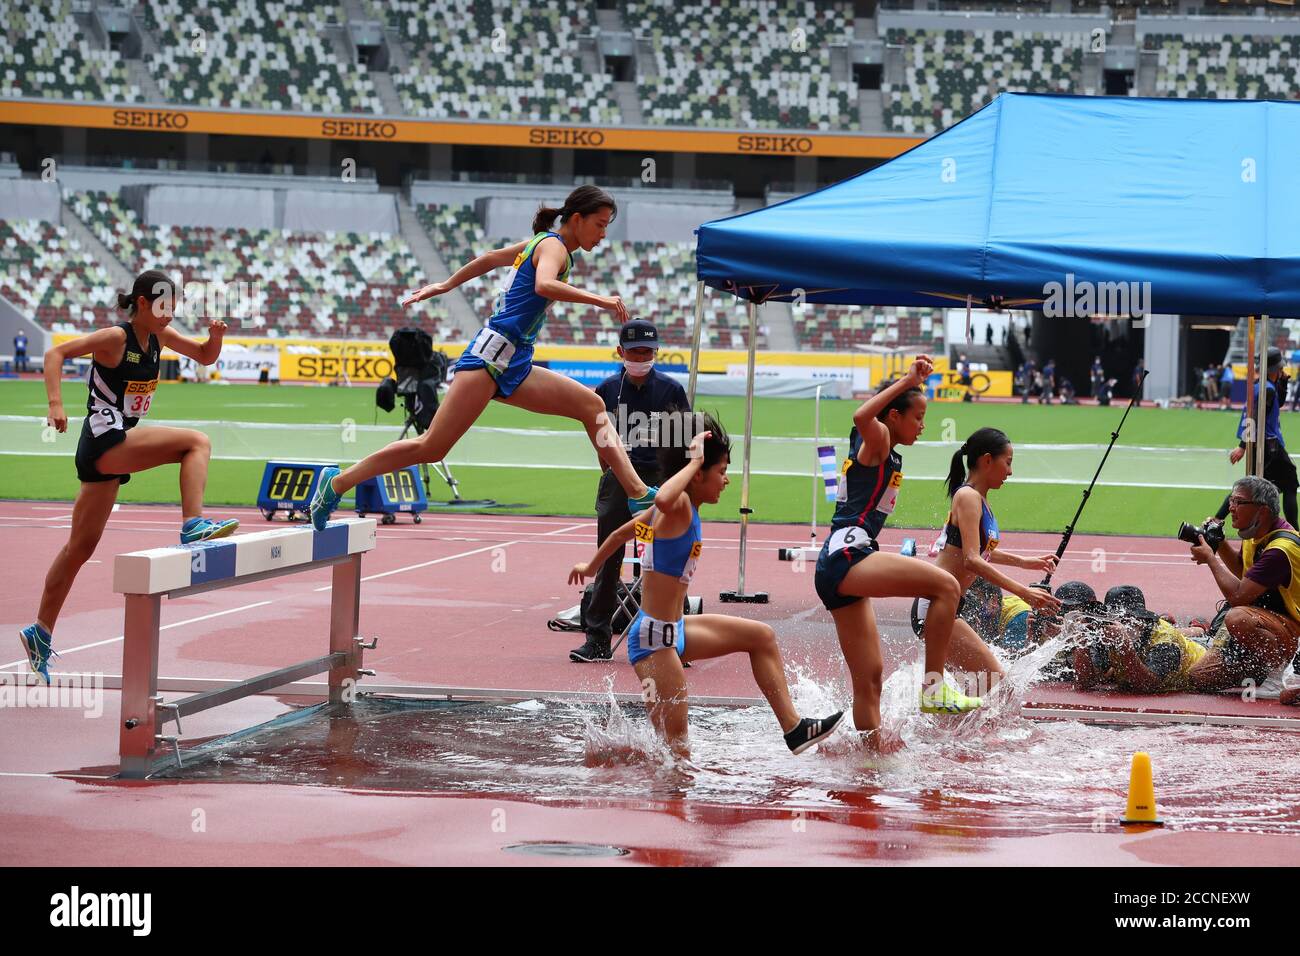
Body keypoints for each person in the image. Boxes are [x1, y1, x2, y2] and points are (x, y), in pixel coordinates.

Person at [309, 185, 657, 530]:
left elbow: (490, 258)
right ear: (577, 219)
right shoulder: (553, 246)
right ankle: (337, 483)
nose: (603, 234)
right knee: (431, 447)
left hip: (514, 361)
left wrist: (444, 285)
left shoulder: (542, 243)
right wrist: (601, 300)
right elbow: (544, 286)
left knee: (592, 407)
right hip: (490, 359)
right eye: (600, 224)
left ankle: (635, 492)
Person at [568, 413, 844, 759]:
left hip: (676, 630)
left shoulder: (676, 513)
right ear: (697, 474)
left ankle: (794, 728)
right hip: (653, 642)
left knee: (761, 637)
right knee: (675, 756)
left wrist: (591, 565)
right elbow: (663, 499)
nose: (727, 480)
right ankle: (609, 760)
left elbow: (622, 532)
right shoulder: (678, 506)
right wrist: (696, 458)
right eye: (721, 471)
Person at [18, 270, 237, 685]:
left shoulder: (160, 338)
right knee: (196, 443)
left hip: (111, 446)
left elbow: (206, 357)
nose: (170, 316)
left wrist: (216, 337)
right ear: (141, 303)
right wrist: (55, 404)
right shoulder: (116, 338)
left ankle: (39, 632)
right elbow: (55, 355)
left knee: (79, 549)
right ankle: (193, 525)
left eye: (174, 308)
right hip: (105, 440)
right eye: (163, 307)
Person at [812, 357, 981, 750]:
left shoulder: (881, 447)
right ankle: (934, 689)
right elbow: (860, 415)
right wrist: (908, 378)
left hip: (838, 564)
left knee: (870, 678)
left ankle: (873, 755)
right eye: (918, 417)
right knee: (945, 586)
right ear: (894, 415)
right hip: (847, 556)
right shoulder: (879, 439)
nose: (923, 426)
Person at [570, 318, 689, 663]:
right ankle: (597, 639)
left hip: (661, 481)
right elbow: (598, 441)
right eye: (634, 351)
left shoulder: (672, 390)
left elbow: (682, 443)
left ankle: (675, 639)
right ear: (620, 351)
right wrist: (609, 476)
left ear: (657, 352)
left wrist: (676, 489)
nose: (641, 356)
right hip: (617, 480)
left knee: (670, 557)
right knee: (609, 557)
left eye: (647, 351)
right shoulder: (605, 390)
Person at [911, 428, 1061, 695]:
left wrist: (1025, 562)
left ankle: (944, 734)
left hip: (949, 605)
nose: (1011, 472)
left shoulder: (981, 501)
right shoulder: (968, 497)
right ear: (987, 460)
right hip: (935, 605)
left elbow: (977, 552)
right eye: (1008, 462)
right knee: (998, 687)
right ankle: (948, 732)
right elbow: (972, 560)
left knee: (979, 688)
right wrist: (1024, 592)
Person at [1186, 475, 1300, 693]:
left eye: (1239, 502)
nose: (1231, 508)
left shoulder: (1280, 549)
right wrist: (1218, 544)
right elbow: (1243, 570)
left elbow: (1239, 597)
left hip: (1293, 630)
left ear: (1263, 510)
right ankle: (1258, 668)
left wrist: (1211, 559)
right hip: (1270, 624)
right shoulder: (1257, 532)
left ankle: (1277, 673)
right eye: (1231, 501)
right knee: (1199, 677)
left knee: (1237, 617)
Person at [1214, 347, 1298, 527]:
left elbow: (1278, 403)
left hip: (1261, 444)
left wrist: (1283, 384)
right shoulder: (1268, 390)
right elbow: (1255, 419)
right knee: (1290, 483)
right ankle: (1295, 531)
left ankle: (1216, 520)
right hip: (1269, 445)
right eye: (1280, 369)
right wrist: (1242, 446)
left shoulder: (1262, 386)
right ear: (1276, 369)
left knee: (1250, 486)